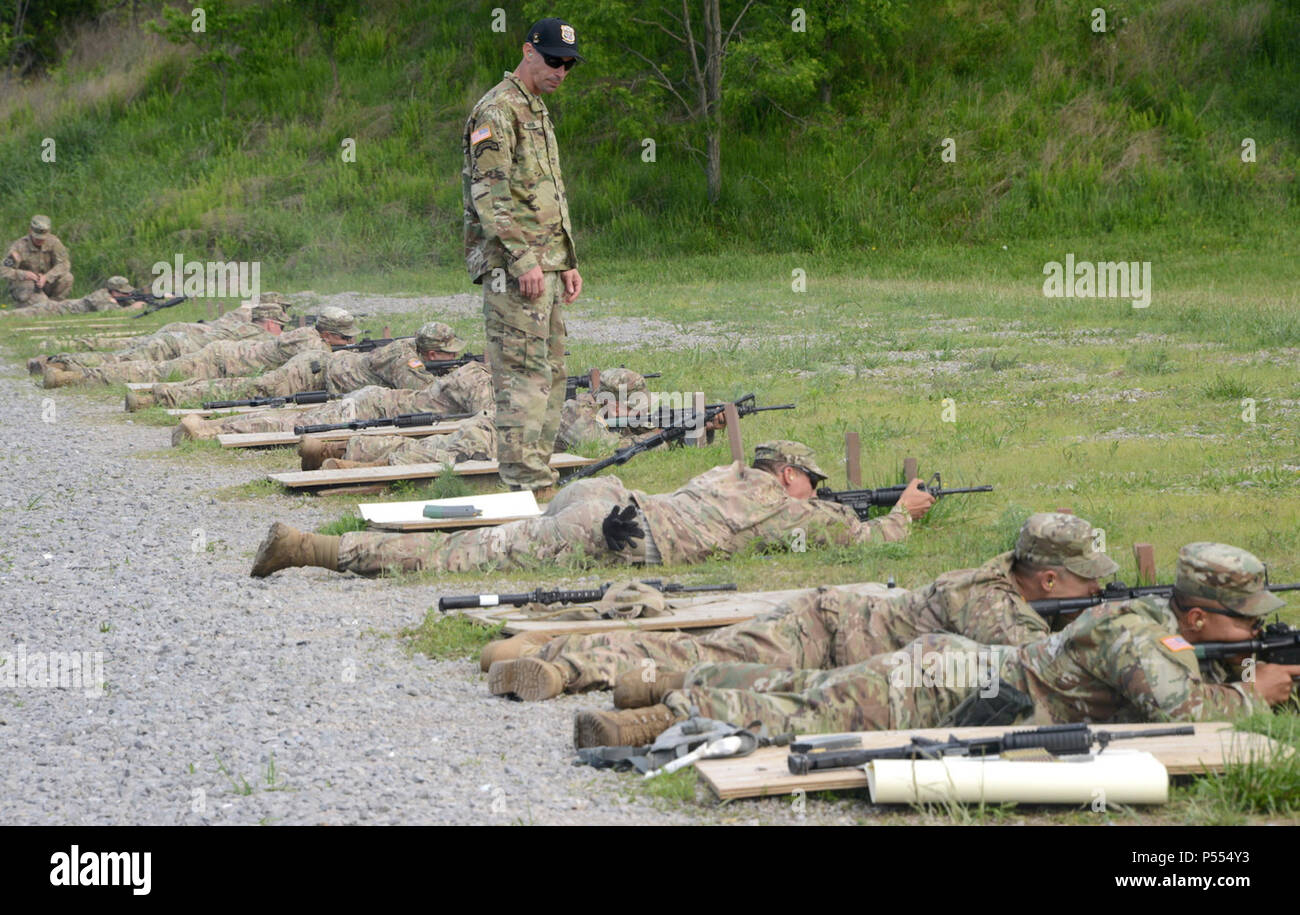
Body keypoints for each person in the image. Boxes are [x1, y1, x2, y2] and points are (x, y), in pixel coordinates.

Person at [573, 543, 1299, 748]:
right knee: (809, 718)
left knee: (802, 692)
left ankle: (653, 685)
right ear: (1197, 620)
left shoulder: (1160, 629)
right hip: (946, 685)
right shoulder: (1140, 634)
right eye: (1244, 621)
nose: (1255, 633)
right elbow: (1177, 707)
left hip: (948, 670)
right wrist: (1251, 691)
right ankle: (662, 718)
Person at [485, 512, 1115, 702]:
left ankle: (550, 654)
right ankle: (555, 661)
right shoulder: (993, 602)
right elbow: (1039, 665)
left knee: (702, 656)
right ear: (1052, 578)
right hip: (825, 632)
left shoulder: (1004, 589)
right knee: (697, 652)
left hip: (838, 644)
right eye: (1090, 583)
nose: (1097, 593)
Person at [249, 440, 935, 578]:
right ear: (788, 474)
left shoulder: (728, 473)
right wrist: (904, 511)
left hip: (605, 503)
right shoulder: (785, 510)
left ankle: (338, 531)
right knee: (460, 559)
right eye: (810, 481)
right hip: (617, 532)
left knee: (501, 535)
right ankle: (313, 548)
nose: (815, 491)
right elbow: (860, 540)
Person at [464, 17, 583, 499]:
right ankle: (523, 487)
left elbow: (544, 192)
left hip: (546, 265)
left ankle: (538, 478)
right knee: (521, 375)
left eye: (568, 64)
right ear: (527, 51)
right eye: (553, 59)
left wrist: (565, 259)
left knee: (552, 374)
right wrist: (522, 260)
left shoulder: (535, 109)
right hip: (515, 272)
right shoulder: (498, 109)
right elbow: (490, 195)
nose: (561, 70)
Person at [318, 368, 657, 468]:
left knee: (422, 447)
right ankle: (345, 462)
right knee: (414, 458)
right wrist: (653, 437)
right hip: (488, 438)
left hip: (493, 432)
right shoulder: (578, 411)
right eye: (632, 405)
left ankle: (344, 449)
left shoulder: (591, 409)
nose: (636, 413)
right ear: (610, 401)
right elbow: (601, 446)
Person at [159, 321, 466, 417]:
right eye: (446, 355)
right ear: (431, 352)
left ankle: (173, 391)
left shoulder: (411, 352)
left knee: (255, 388)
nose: (449, 358)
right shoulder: (405, 358)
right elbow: (425, 392)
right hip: (315, 371)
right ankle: (167, 395)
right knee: (254, 390)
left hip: (326, 374)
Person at [40, 305, 346, 392]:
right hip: (217, 362)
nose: (349, 343)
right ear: (330, 335)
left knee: (147, 366)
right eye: (345, 339)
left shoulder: (306, 334)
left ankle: (70, 368)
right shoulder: (309, 341)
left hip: (219, 357)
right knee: (152, 371)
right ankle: (74, 377)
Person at [31, 297, 291, 372]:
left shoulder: (241, 325)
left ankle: (55, 359)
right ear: (269, 323)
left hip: (174, 340)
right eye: (280, 324)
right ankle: (60, 362)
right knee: (120, 361)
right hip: (175, 347)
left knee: (121, 355)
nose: (282, 329)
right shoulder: (258, 335)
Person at [1, 215, 73, 307]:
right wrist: (24, 274)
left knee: (67, 278)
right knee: (41, 302)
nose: (40, 240)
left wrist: (47, 277)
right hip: (27, 285)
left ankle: (55, 304)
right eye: (37, 238)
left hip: (46, 283)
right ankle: (35, 304)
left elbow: (64, 264)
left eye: (43, 238)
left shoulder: (54, 243)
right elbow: (3, 269)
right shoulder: (19, 247)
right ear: (30, 231)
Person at [9, 275, 143, 317]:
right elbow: (112, 314)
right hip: (55, 310)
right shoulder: (101, 297)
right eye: (123, 292)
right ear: (113, 291)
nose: (127, 295)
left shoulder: (112, 296)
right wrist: (134, 308)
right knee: (18, 315)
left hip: (58, 308)